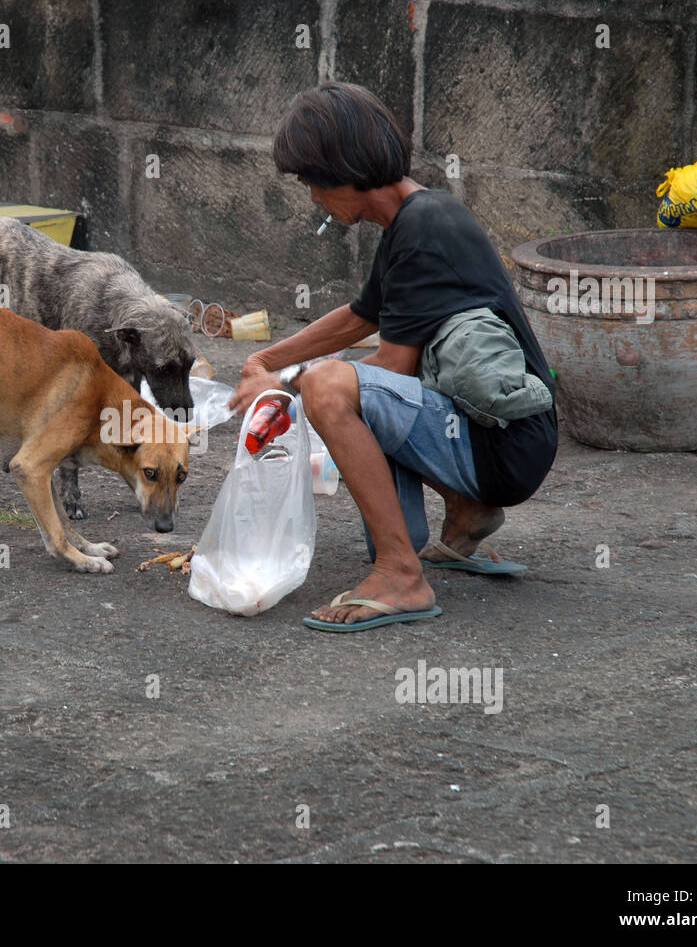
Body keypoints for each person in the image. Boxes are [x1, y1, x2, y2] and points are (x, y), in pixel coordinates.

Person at [228, 82, 558, 632]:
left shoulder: (425, 228)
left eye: (313, 182)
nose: (313, 198)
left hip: (506, 448)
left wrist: (285, 386)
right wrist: (264, 359)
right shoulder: (418, 218)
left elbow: (390, 370)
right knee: (333, 382)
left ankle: (401, 573)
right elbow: (363, 316)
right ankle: (466, 511)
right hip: (503, 441)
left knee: (330, 389)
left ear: (346, 171)